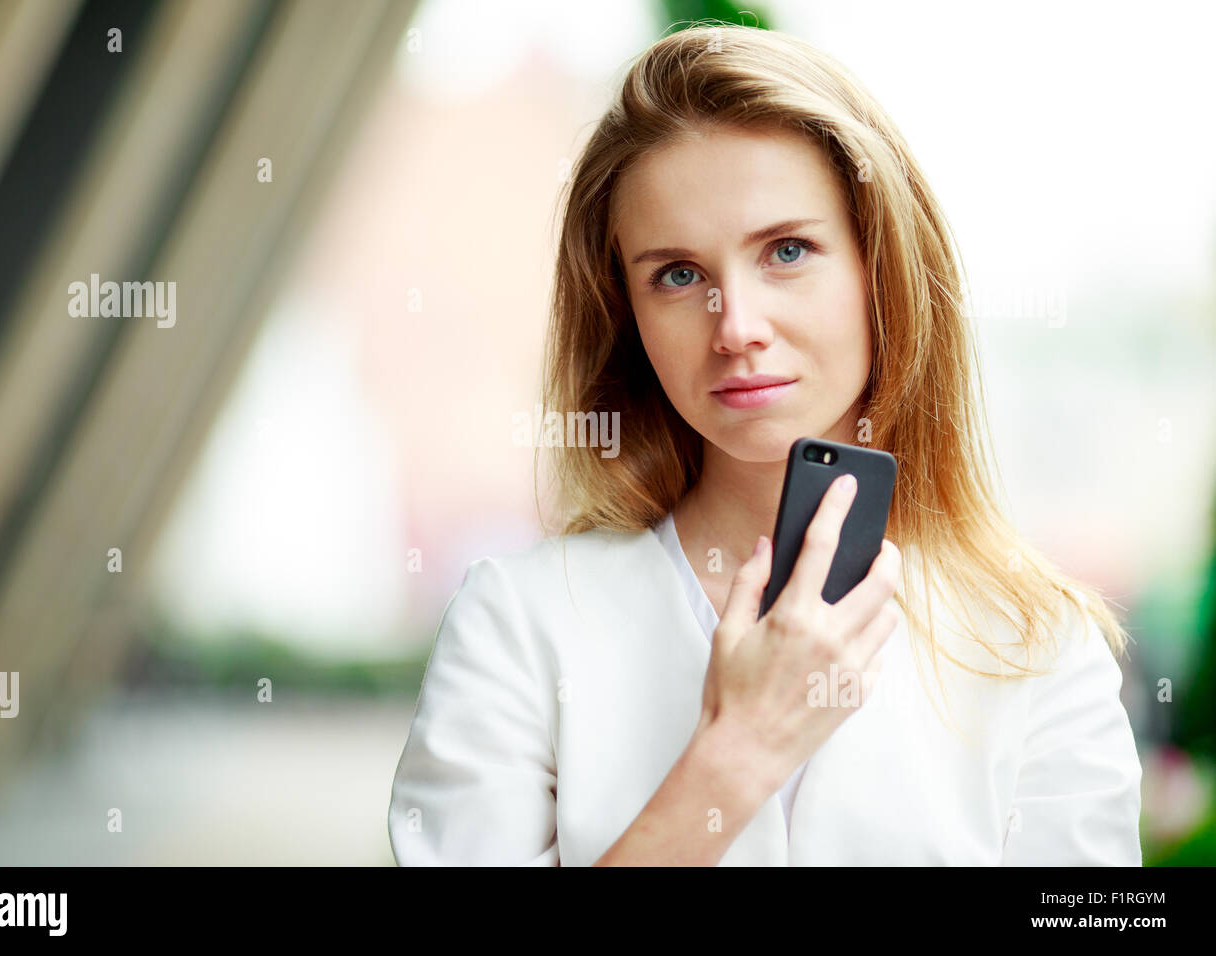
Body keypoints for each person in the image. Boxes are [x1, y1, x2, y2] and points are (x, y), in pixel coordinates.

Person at [387, 24, 1142, 866]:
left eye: (787, 251)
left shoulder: (1032, 645)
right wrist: (736, 756)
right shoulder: (517, 625)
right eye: (678, 274)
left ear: (879, 272)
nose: (737, 327)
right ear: (627, 316)